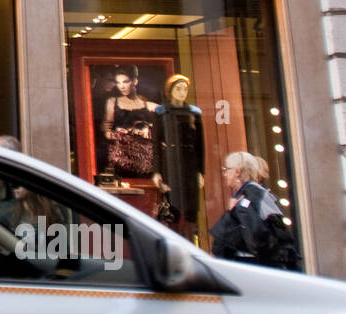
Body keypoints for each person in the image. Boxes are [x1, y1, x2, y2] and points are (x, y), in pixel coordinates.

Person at [210, 152, 302, 271]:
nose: (225, 174)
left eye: (227, 169)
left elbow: (257, 241)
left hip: (251, 271)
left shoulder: (248, 200)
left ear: (237, 172)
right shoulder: (257, 195)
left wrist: (235, 212)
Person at [152, 74, 205, 240]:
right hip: (170, 162)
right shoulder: (161, 113)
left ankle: (191, 241)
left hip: (189, 162)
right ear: (171, 90)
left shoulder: (194, 113)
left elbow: (200, 145)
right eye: (178, 88)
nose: (182, 92)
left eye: (185, 89)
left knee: (191, 208)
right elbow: (156, 143)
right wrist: (157, 171)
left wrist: (200, 172)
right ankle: (173, 240)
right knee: (171, 207)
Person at [101, 69, 158, 178]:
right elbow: (106, 131)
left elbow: (158, 133)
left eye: (125, 81)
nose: (121, 86)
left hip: (143, 160)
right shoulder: (112, 102)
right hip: (122, 159)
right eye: (118, 82)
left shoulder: (149, 106)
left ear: (134, 81)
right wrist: (120, 134)